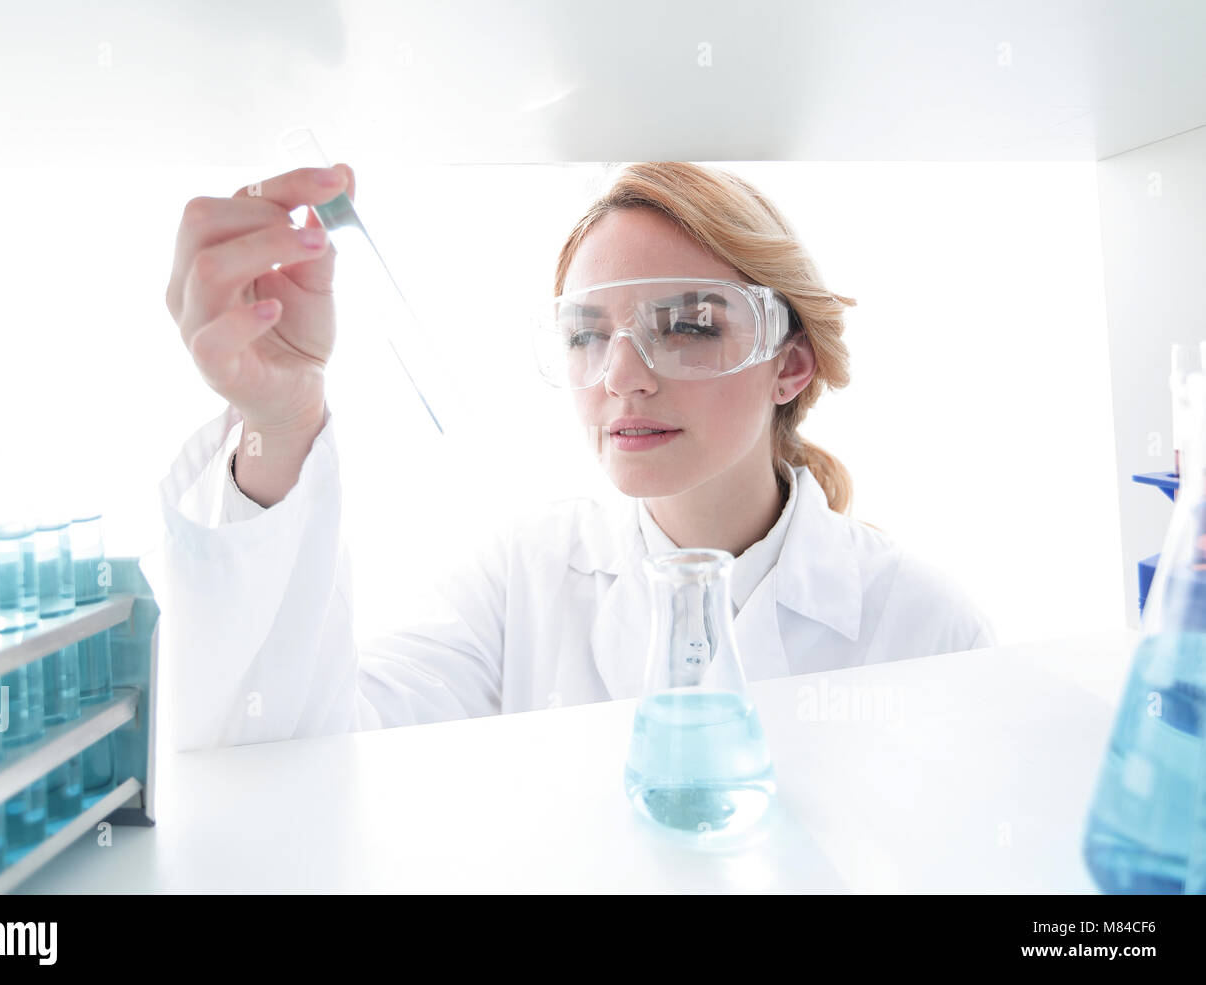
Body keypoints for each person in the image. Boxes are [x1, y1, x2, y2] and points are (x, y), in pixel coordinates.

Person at [147, 161, 996, 752]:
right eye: (588, 335)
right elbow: (299, 758)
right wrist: (280, 421)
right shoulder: (519, 581)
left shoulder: (923, 628)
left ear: (791, 361)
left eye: (690, 325)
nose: (622, 376)